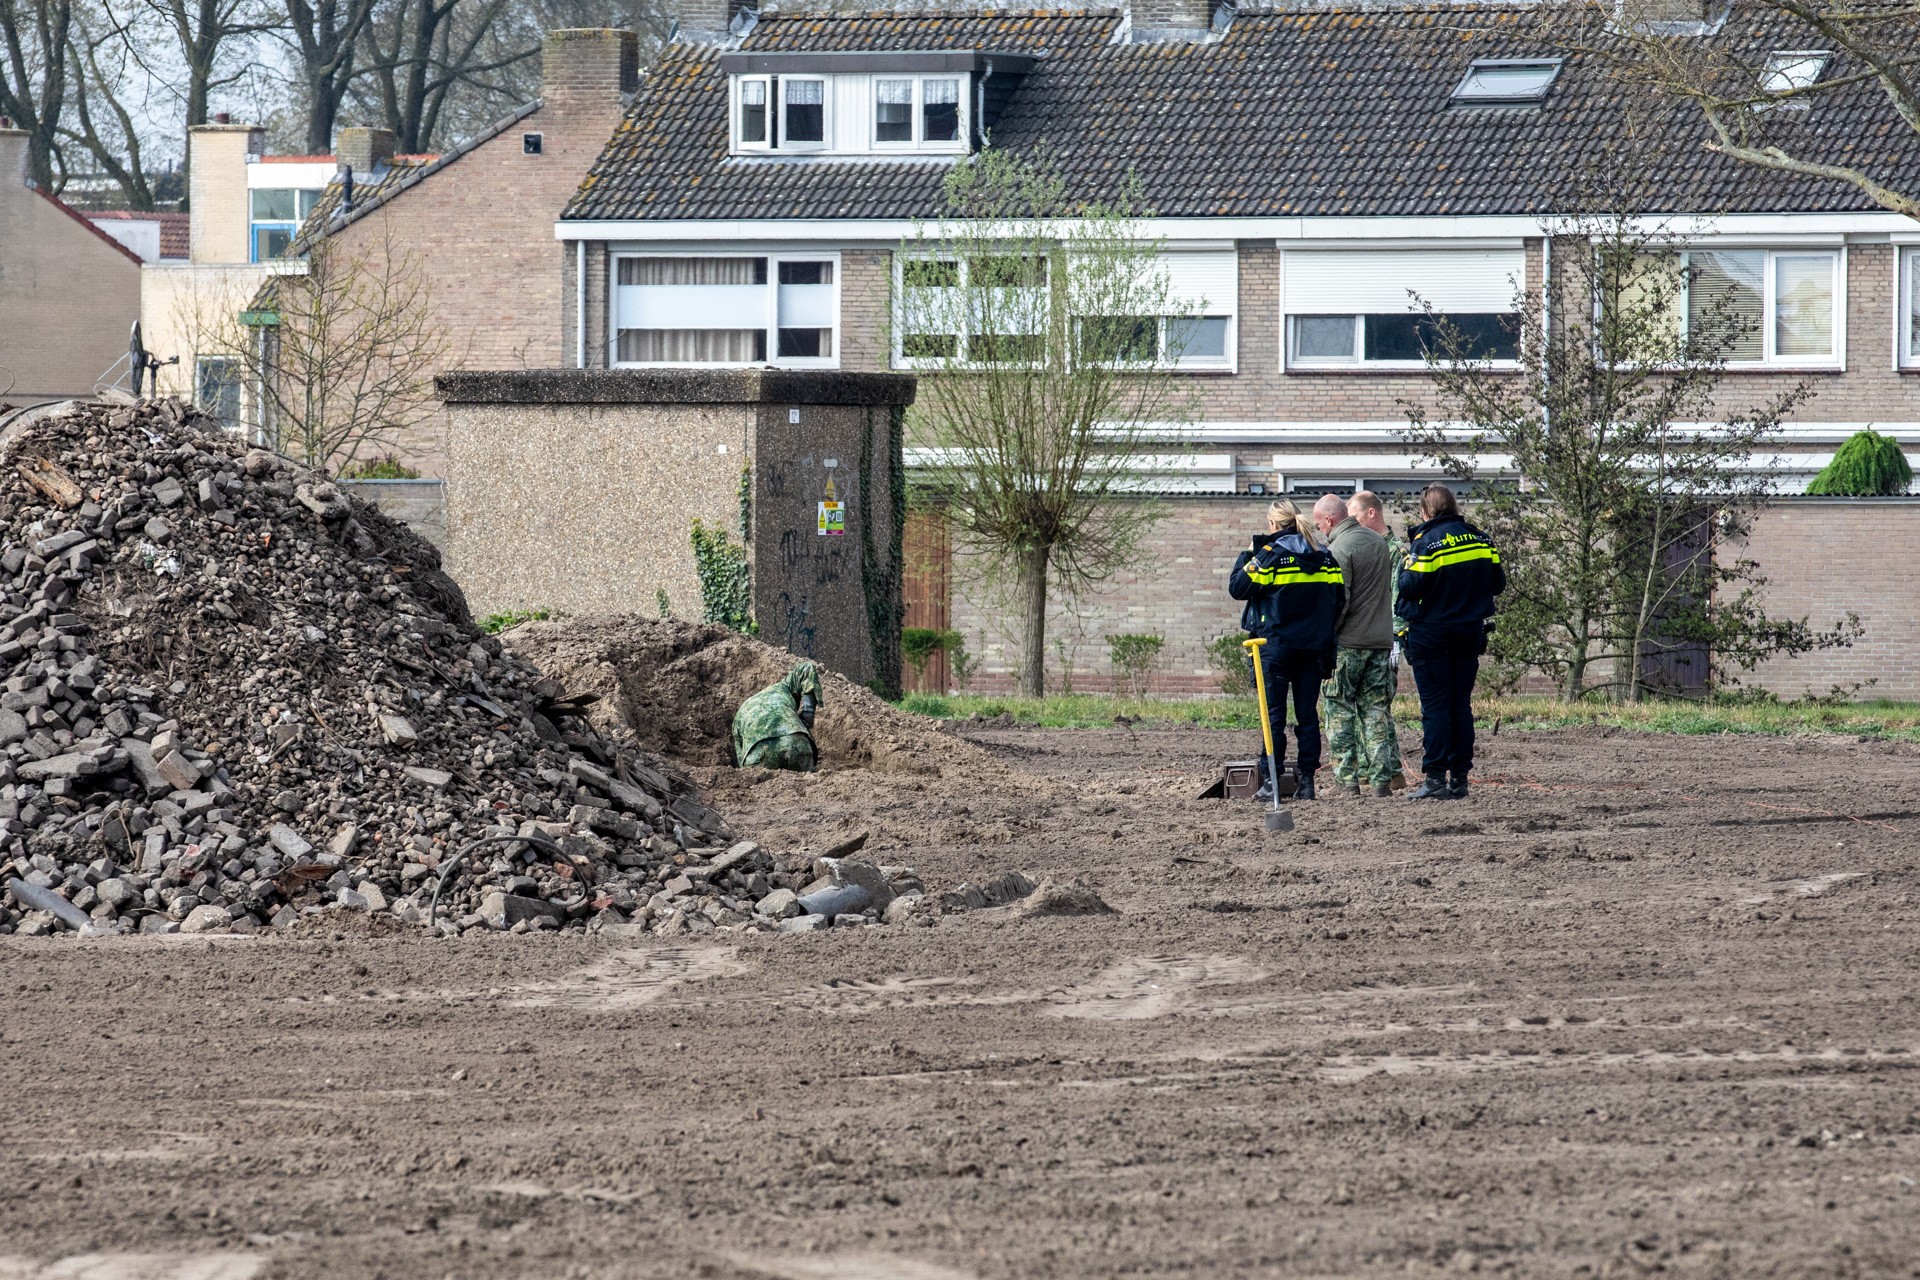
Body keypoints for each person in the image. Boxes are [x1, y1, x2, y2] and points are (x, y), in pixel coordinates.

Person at [1395, 484, 1505, 800]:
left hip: (1431, 633)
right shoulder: (1482, 539)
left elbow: (1409, 586)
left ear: (1426, 511)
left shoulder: (1426, 543)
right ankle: (1459, 779)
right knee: (1460, 704)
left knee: (1436, 706)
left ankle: (1434, 779)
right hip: (1469, 631)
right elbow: (1497, 584)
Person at [1229, 499, 1344, 800]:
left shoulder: (1269, 556)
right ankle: (1307, 784)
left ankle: (1273, 783)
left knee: (1274, 718)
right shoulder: (1326, 557)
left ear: (1272, 524)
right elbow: (1339, 600)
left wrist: (1248, 552)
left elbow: (1238, 588)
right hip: (1314, 650)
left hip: (1275, 647)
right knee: (1307, 717)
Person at [1311, 493, 1401, 798]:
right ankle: (1381, 782)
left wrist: (1326, 636)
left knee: (1339, 711)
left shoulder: (1338, 549)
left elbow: (1341, 601)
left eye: (1318, 523)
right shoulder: (1379, 544)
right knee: (1375, 711)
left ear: (1329, 519)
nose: (1318, 530)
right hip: (1379, 644)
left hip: (1348, 645)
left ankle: (1347, 781)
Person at [731, 661, 823, 771]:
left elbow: (740, 756)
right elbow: (807, 668)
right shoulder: (786, 687)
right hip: (797, 743)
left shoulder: (743, 711)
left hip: (761, 752)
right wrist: (807, 713)